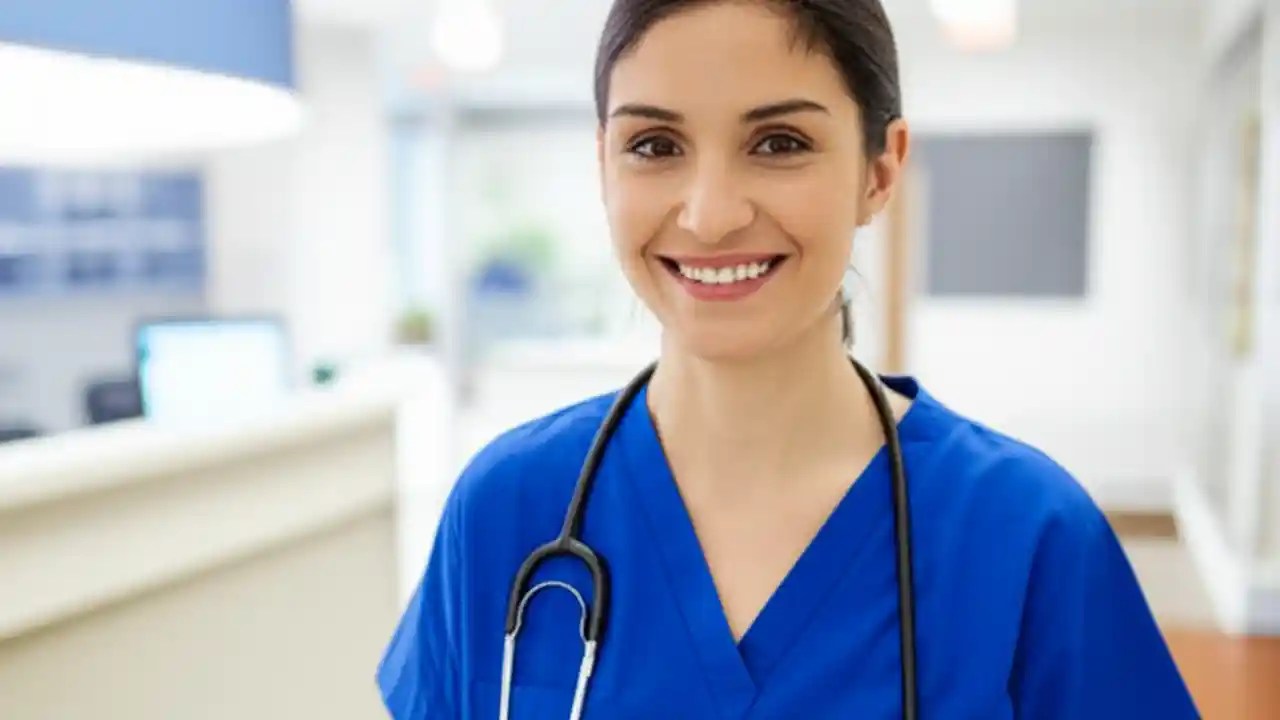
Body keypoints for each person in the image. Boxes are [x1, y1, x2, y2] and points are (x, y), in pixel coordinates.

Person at [377, 0, 1199, 717]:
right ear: (603, 164)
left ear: (881, 169)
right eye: (656, 146)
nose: (709, 215)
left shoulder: (1026, 535)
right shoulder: (506, 511)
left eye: (778, 142)